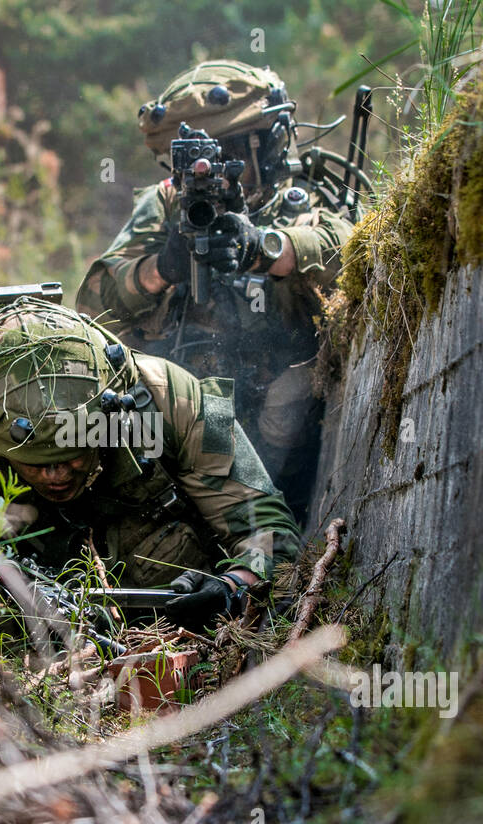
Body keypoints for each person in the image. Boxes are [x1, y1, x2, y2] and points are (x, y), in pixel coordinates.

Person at [76, 60, 354, 521]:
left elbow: (349, 253)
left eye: (229, 154)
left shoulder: (300, 196)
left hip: (287, 414)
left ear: (263, 144)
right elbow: (93, 304)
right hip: (187, 411)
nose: (215, 173)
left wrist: (265, 248)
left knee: (289, 406)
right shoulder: (165, 204)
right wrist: (159, 269)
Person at [0, 295, 300, 633]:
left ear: (108, 420)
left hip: (192, 633)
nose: (56, 474)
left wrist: (235, 585)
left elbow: (269, 525)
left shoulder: (178, 399)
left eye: (69, 454)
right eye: (34, 463)